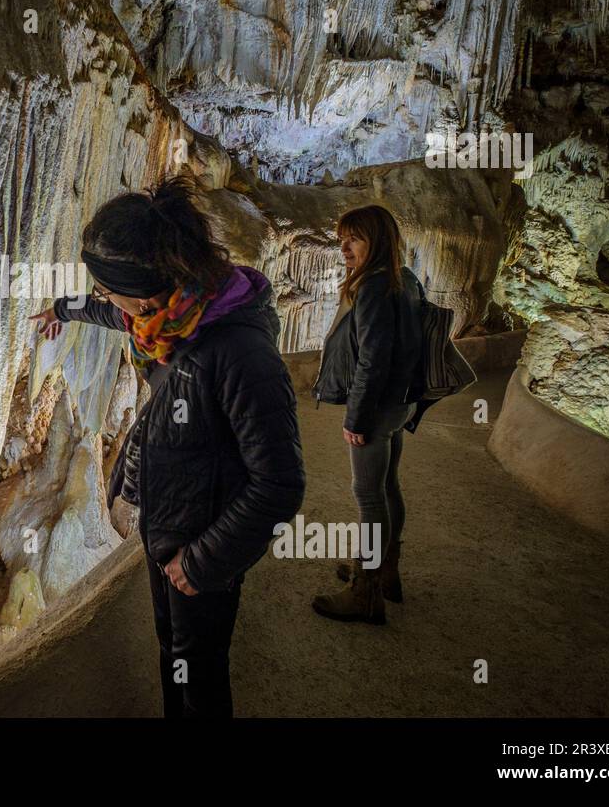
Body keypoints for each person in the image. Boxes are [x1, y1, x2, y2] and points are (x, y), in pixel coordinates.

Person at [31, 177, 305, 718]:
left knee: (200, 670)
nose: (107, 300)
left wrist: (201, 563)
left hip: (203, 541)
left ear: (147, 290)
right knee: (174, 655)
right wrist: (63, 310)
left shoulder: (240, 353)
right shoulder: (170, 319)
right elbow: (115, 313)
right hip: (169, 524)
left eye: (109, 288)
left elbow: (280, 484)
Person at [311, 204, 424, 624]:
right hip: (399, 402)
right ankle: (386, 571)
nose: (344, 247)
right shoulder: (406, 279)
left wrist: (355, 418)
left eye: (354, 239)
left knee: (368, 496)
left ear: (376, 241)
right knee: (388, 486)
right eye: (342, 238)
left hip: (376, 409)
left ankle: (365, 592)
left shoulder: (375, 286)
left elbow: (372, 360)